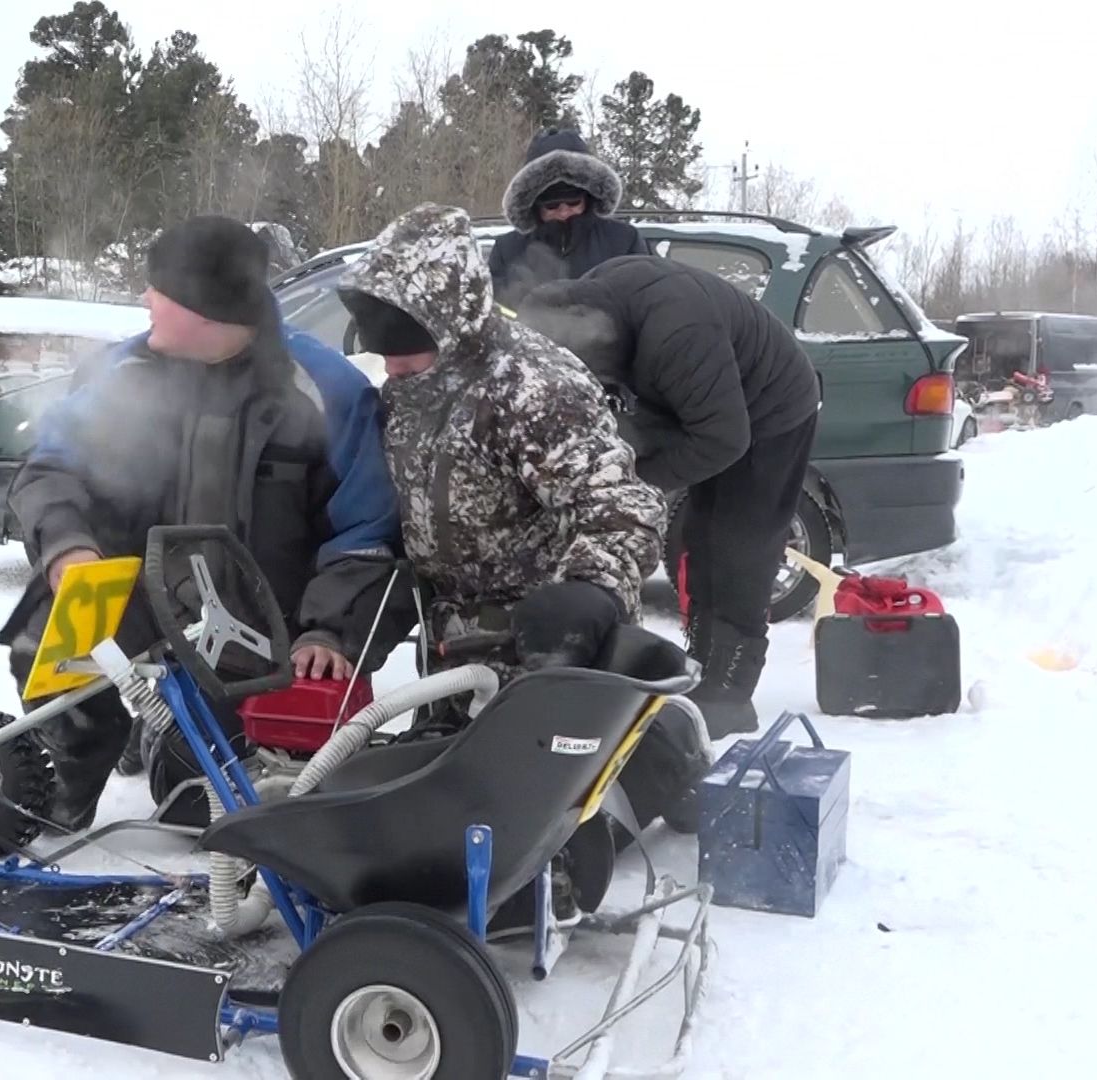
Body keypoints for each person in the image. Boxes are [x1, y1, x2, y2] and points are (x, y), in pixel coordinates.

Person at [0, 213, 404, 833]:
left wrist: (328, 633)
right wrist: (68, 548)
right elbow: (48, 470)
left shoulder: (326, 389)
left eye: (159, 289)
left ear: (206, 309)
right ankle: (57, 803)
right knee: (43, 639)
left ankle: (173, 747)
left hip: (261, 636)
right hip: (136, 601)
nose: (145, 299)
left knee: (208, 815)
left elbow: (369, 530)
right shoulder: (123, 373)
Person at [333, 203, 704, 830]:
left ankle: (658, 755)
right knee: (430, 819)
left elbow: (619, 503)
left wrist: (590, 590)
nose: (391, 366)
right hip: (455, 658)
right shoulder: (408, 389)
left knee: (535, 848)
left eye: (406, 349)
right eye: (384, 351)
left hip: (547, 656)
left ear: (449, 325)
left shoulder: (533, 387)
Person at [515, 255, 822, 737]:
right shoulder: (596, 297)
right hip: (706, 400)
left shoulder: (677, 334)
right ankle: (701, 668)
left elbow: (724, 439)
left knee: (741, 547)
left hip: (772, 408)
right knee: (700, 540)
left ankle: (729, 695)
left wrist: (640, 481)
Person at [488, 128, 646, 308]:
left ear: (589, 197)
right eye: (552, 206)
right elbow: (495, 310)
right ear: (534, 205)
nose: (563, 213)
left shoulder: (624, 241)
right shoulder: (507, 250)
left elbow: (644, 302)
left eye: (573, 202)